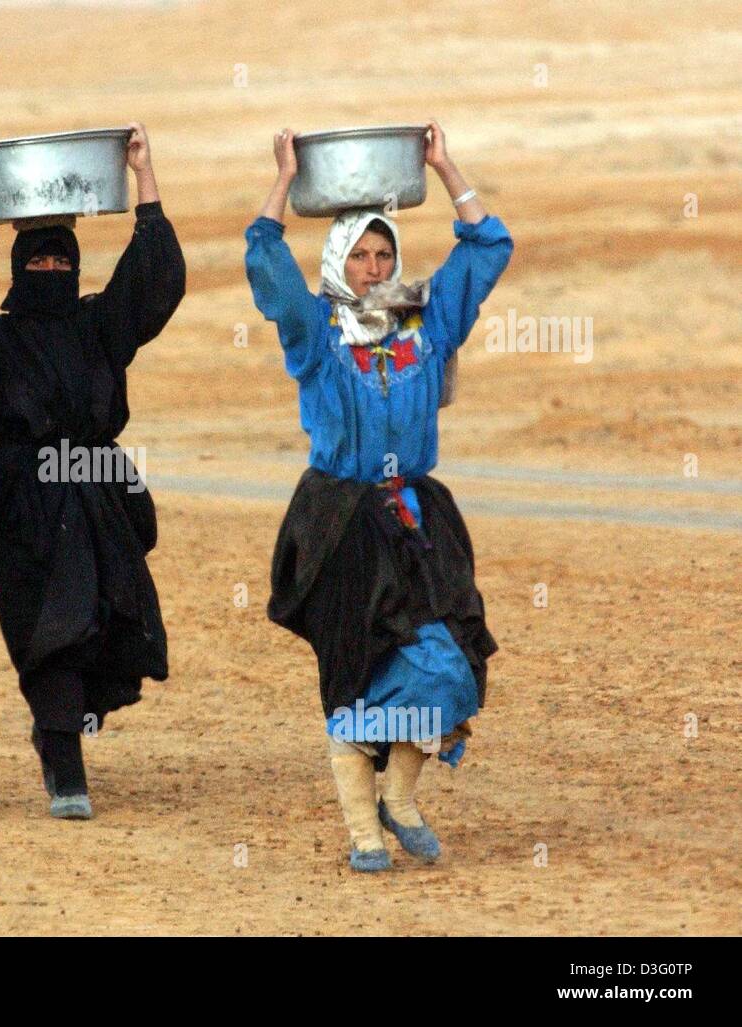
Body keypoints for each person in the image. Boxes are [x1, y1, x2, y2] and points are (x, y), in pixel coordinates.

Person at [244, 121, 513, 870]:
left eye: (383, 252)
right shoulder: (319, 335)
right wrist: (284, 178)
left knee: (451, 661)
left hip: (416, 517)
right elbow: (265, 264)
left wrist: (444, 164)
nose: (371, 266)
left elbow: (490, 247)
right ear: (340, 260)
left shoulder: (426, 324)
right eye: (359, 254)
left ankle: (398, 793)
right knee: (359, 668)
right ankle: (366, 829)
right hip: (340, 522)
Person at [0, 123, 185, 820]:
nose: (50, 274)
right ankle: (66, 767)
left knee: (105, 622)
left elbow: (154, 283)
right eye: (38, 263)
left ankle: (68, 729)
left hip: (98, 496)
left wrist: (145, 178)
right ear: (18, 267)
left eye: (60, 263)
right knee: (45, 631)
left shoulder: (98, 326)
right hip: (21, 510)